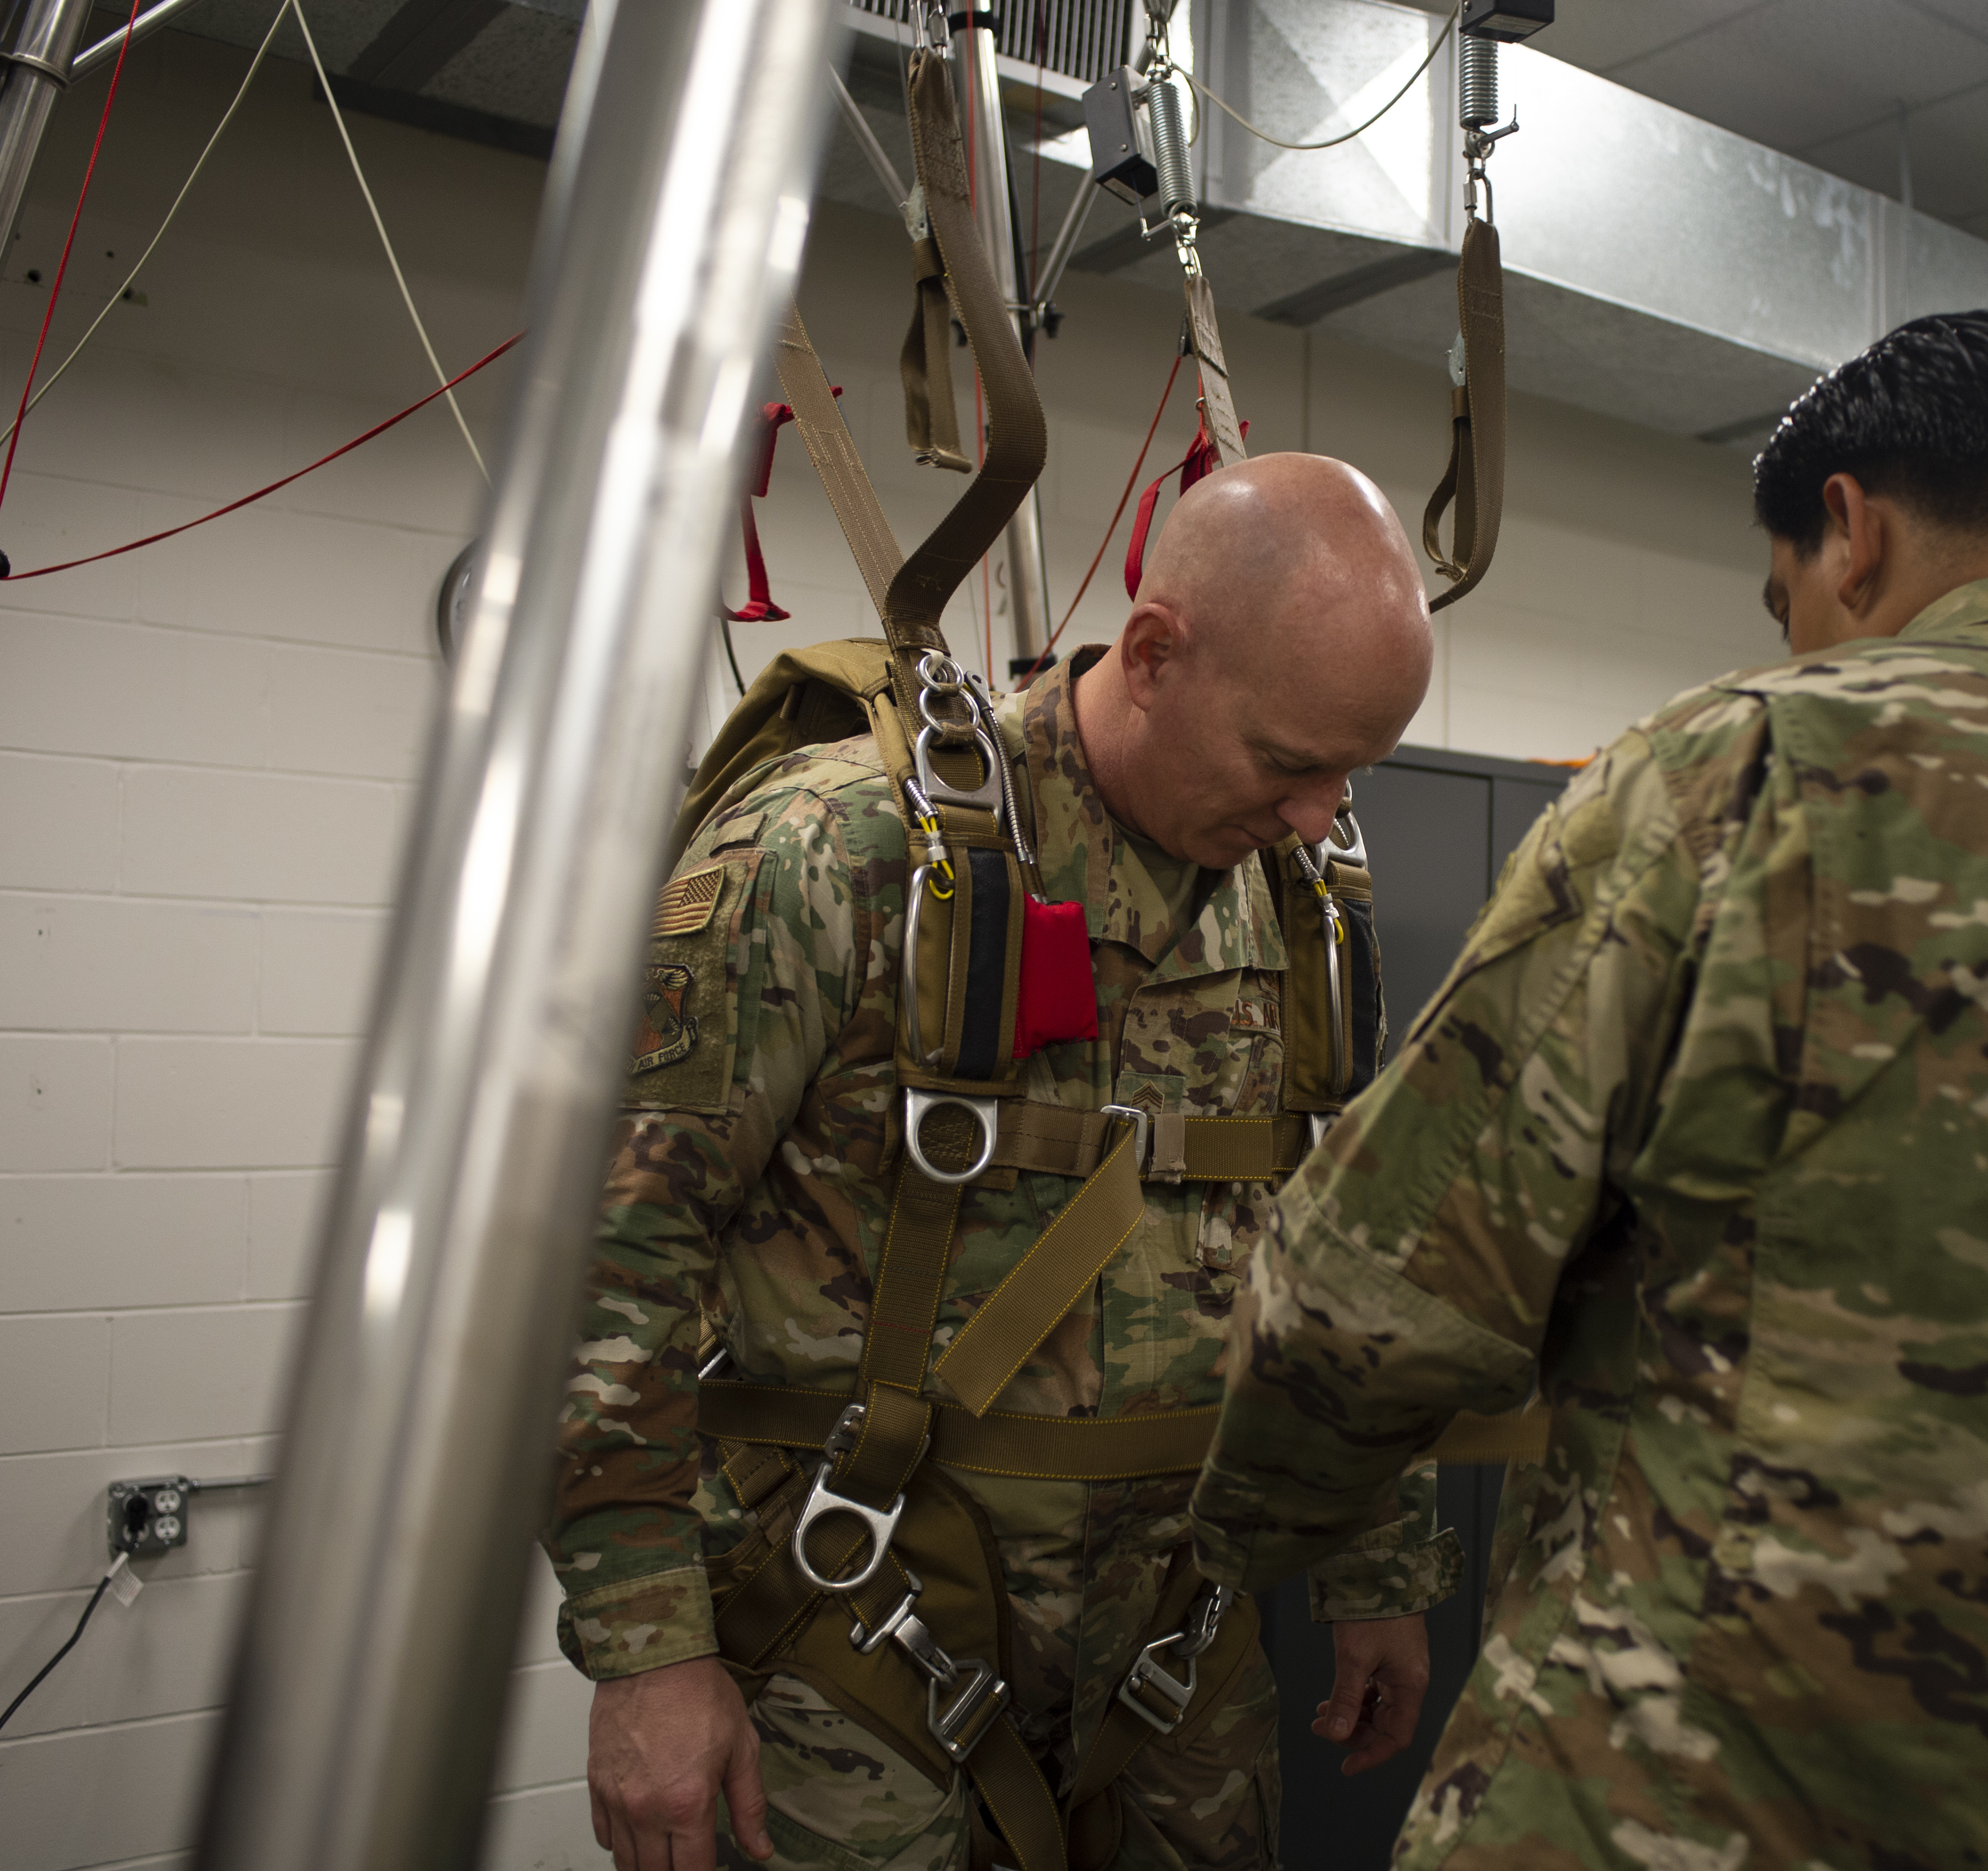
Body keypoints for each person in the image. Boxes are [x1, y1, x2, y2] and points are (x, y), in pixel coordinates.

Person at [1188, 311, 1988, 1870]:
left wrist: (1241, 1543)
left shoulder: (1732, 784)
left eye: (1786, 592)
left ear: (1850, 533)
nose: (1797, 634)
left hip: (1675, 1811)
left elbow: (1360, 1300)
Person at [548, 451, 1458, 1871]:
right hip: (856, 1655)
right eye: (1288, 759)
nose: (1316, 812)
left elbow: (1337, 1250)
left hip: (1179, 1662)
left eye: (1350, 770)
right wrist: (647, 1648)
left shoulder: (1302, 909)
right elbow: (600, 1255)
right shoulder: (840, 852)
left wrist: (1375, 1564)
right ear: (1153, 654)